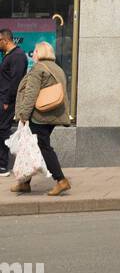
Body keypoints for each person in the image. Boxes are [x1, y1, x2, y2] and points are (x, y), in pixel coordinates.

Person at [10, 41, 71, 196]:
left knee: (43, 147)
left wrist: (23, 115)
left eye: (35, 51)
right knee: (32, 147)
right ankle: (24, 183)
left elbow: (31, 94)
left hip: (40, 116)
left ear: (40, 52)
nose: (33, 54)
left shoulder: (38, 69)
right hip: (52, 114)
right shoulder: (57, 68)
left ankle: (61, 180)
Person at [0, 28, 28, 175]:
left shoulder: (17, 56)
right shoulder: (8, 55)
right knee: (2, 129)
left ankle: (3, 166)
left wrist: (6, 100)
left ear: (5, 40)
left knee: (3, 130)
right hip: (4, 99)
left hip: (7, 101)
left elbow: (15, 81)